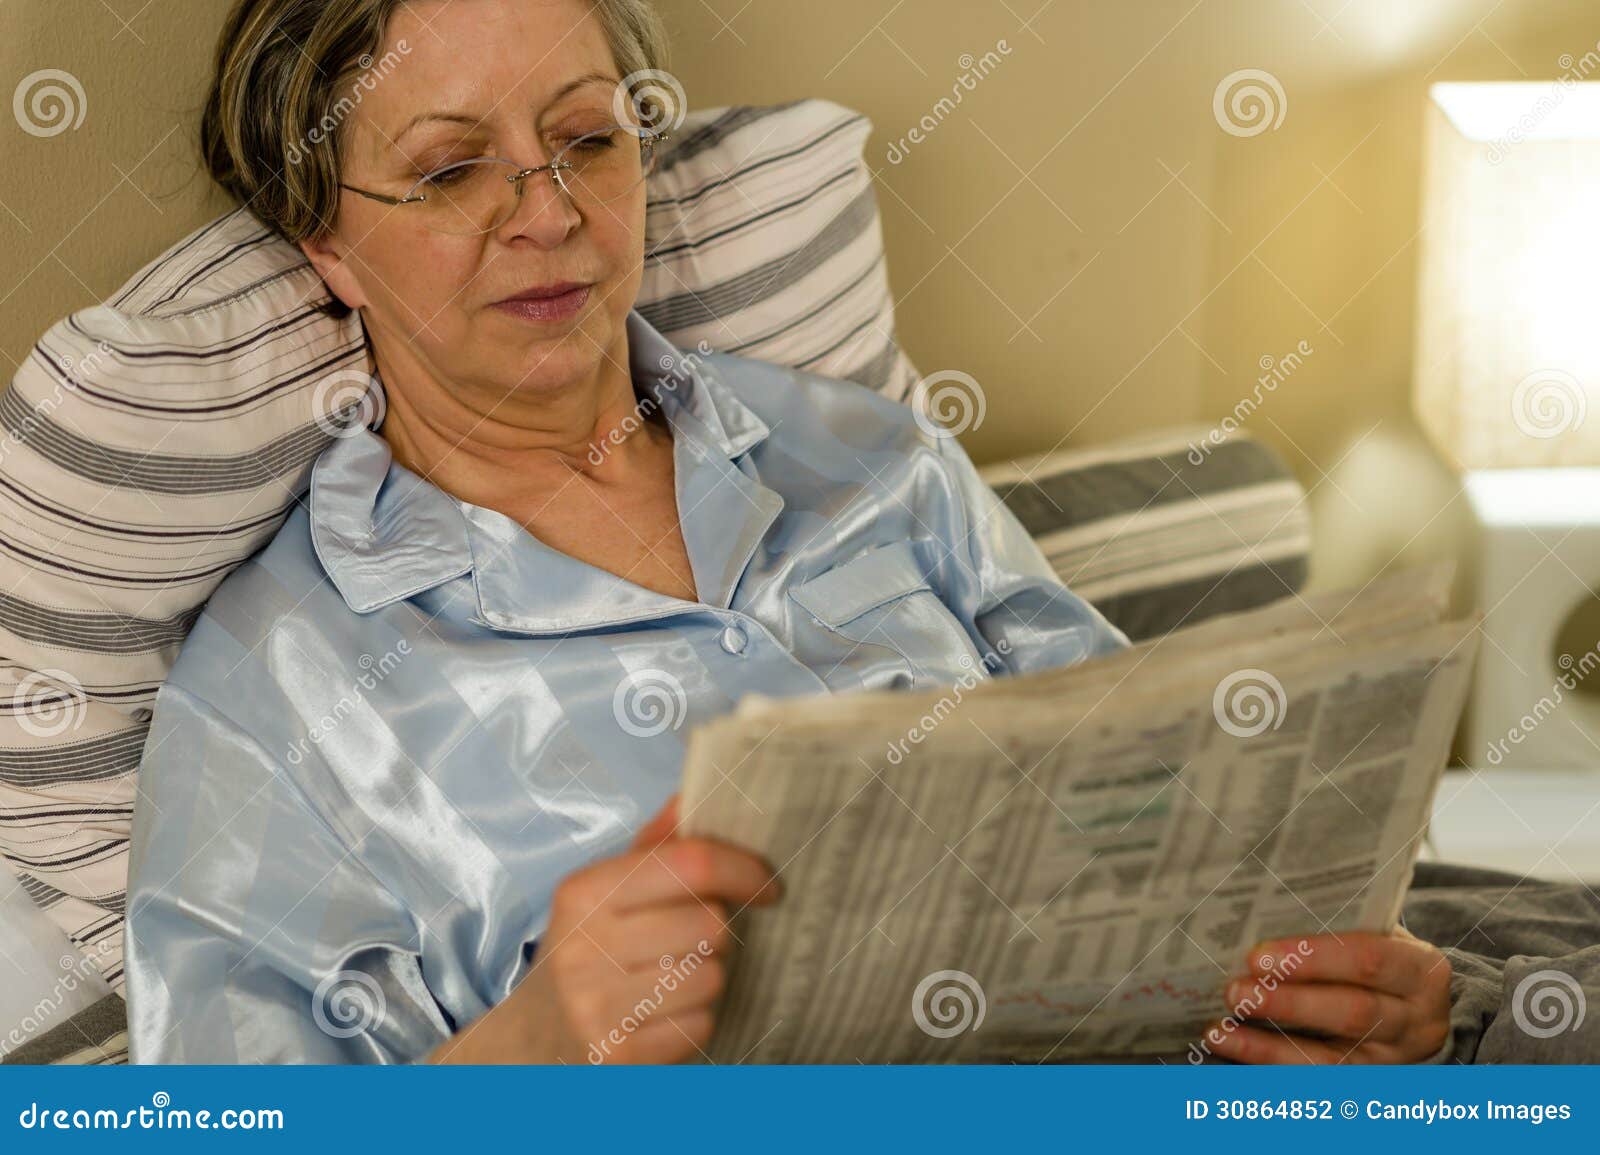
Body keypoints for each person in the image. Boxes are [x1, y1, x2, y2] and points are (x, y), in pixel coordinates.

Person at [123, 0, 1452, 1065]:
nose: (552, 212)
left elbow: (1169, 811)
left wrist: (1338, 1001)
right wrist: (537, 1048)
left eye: (587, 138)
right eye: (452, 169)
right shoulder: (272, 685)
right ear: (326, 244)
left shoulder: (875, 458)